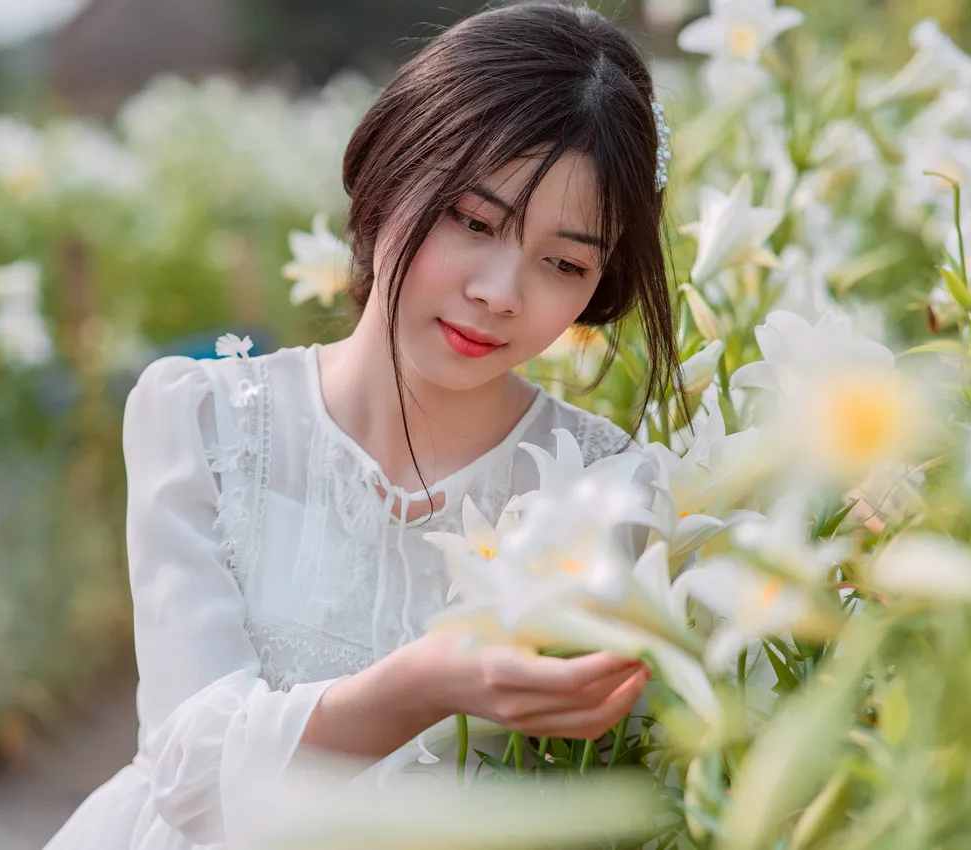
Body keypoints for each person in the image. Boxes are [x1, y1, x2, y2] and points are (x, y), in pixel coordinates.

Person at [43, 2, 681, 847]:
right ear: (389, 171)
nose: (500, 291)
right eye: (474, 221)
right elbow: (193, 779)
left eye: (563, 263)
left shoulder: (607, 492)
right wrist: (424, 684)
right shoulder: (207, 421)